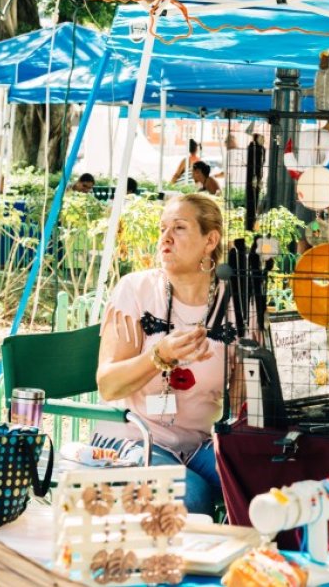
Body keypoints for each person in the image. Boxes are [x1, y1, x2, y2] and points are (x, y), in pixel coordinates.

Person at [95, 193, 227, 515]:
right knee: (190, 497)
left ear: (210, 240)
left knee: (260, 483)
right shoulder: (136, 290)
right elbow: (108, 384)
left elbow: (246, 390)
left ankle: (250, 565)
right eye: (162, 228)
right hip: (133, 438)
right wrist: (159, 356)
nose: (164, 239)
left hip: (199, 444)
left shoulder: (234, 302)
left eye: (179, 228)